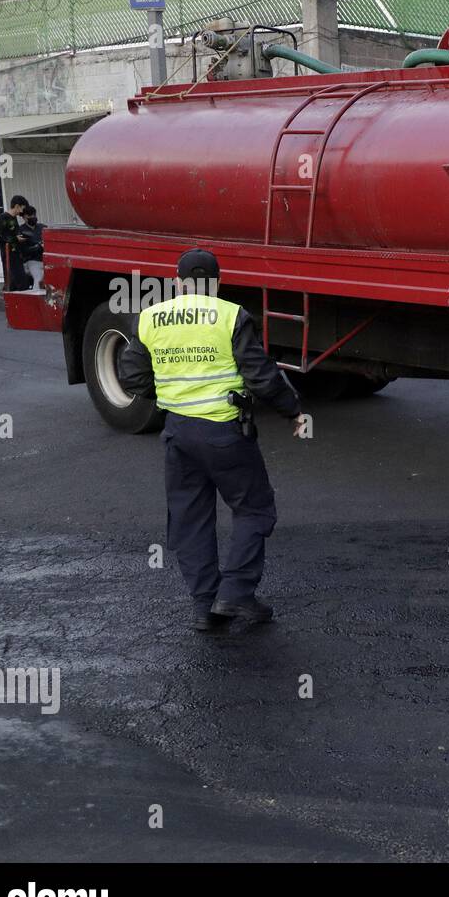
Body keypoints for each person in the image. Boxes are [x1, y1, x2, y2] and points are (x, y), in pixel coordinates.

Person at [118, 248, 305, 630]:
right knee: (254, 509)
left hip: (178, 434)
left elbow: (133, 377)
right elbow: (261, 375)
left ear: (177, 281)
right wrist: (293, 411)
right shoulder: (230, 315)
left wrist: (172, 397)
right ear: (217, 282)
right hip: (225, 431)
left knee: (190, 518)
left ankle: (205, 606)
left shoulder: (151, 317)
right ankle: (235, 594)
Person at [0, 194, 30, 290]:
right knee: (16, 281)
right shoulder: (3, 218)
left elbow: (14, 233)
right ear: (17, 206)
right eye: (22, 208)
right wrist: (14, 238)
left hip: (17, 254)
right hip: (8, 255)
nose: (22, 211)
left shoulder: (13, 218)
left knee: (19, 281)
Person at [18, 206, 45, 289]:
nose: (32, 218)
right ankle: (36, 297)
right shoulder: (21, 231)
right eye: (29, 216)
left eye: (33, 215)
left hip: (45, 259)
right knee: (39, 277)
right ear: (24, 218)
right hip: (31, 261)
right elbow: (24, 251)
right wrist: (38, 246)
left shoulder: (43, 228)